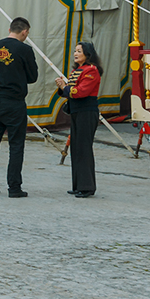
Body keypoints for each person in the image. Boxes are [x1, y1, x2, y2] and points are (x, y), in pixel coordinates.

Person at [0, 17, 38, 197]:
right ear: (25, 32)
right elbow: (33, 77)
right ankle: (14, 187)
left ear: (9, 29)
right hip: (15, 102)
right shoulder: (25, 50)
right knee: (16, 145)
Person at [59, 41, 102, 198]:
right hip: (77, 111)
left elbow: (80, 92)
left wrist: (65, 87)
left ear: (87, 54)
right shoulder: (77, 70)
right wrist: (62, 87)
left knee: (84, 149)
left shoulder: (91, 70)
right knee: (76, 148)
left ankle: (87, 187)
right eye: (75, 51)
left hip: (87, 112)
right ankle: (78, 185)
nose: (75, 54)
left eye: (79, 51)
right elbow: (71, 91)